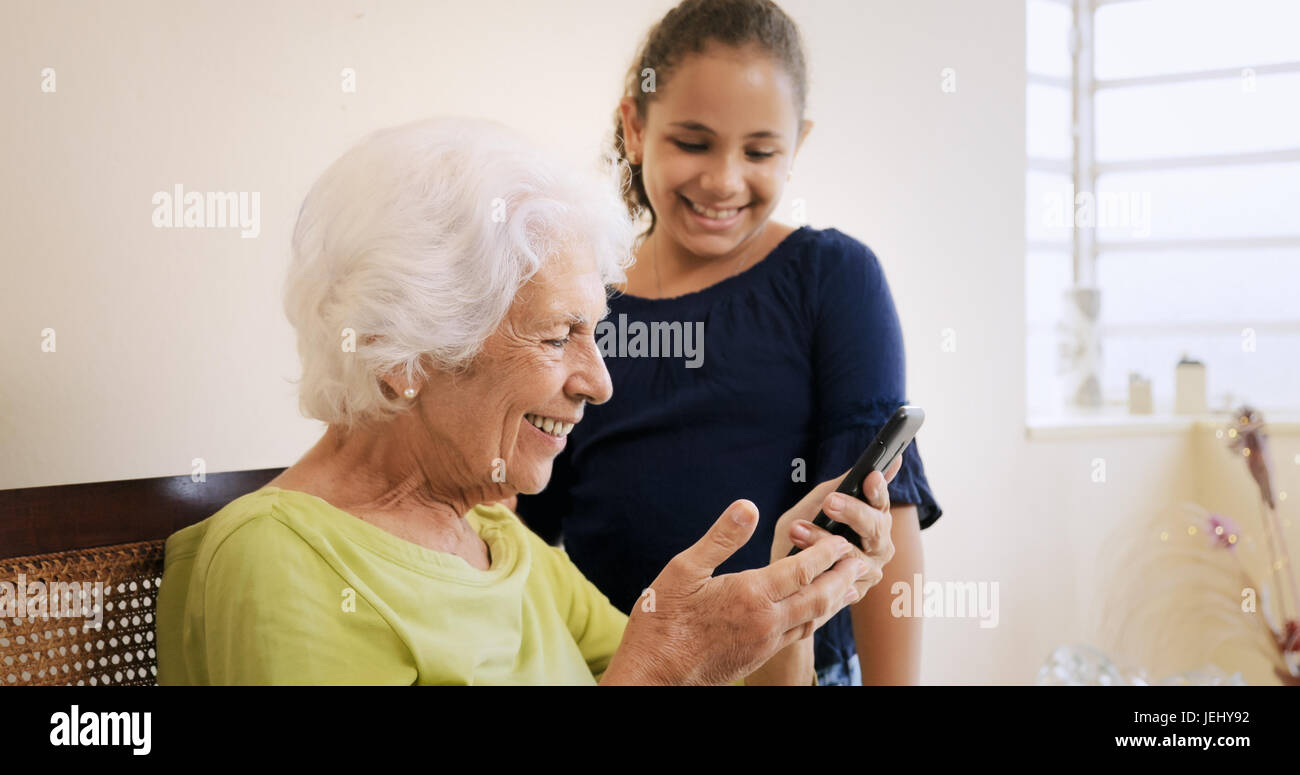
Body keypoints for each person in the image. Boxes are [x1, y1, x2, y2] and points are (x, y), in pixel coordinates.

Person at [155, 117, 900, 686]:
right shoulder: (277, 561)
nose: (600, 381)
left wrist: (789, 606)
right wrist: (658, 669)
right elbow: (655, 673)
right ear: (405, 357)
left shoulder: (500, 541)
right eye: (556, 337)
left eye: (596, 334)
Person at [515, 0, 943, 686]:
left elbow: (879, 511)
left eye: (760, 151)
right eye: (692, 142)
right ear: (635, 127)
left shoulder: (830, 278)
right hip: (615, 669)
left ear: (795, 146)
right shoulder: (582, 297)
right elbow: (520, 517)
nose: (723, 180)